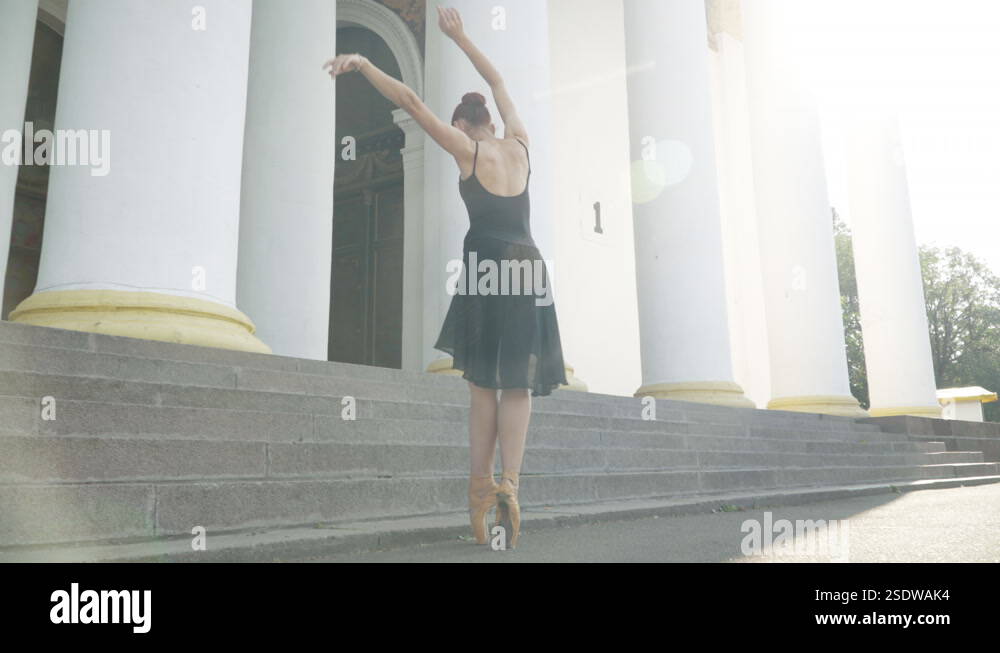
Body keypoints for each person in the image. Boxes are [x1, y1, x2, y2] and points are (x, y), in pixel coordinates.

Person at [324, 6, 567, 549]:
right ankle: (511, 484)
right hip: (528, 264)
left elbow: (410, 101)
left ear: (461, 124)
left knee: (483, 380)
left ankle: (479, 491)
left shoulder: (466, 149)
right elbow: (499, 80)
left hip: (486, 265)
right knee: (517, 383)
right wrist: (461, 39)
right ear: (491, 119)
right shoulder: (520, 144)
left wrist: (363, 63)